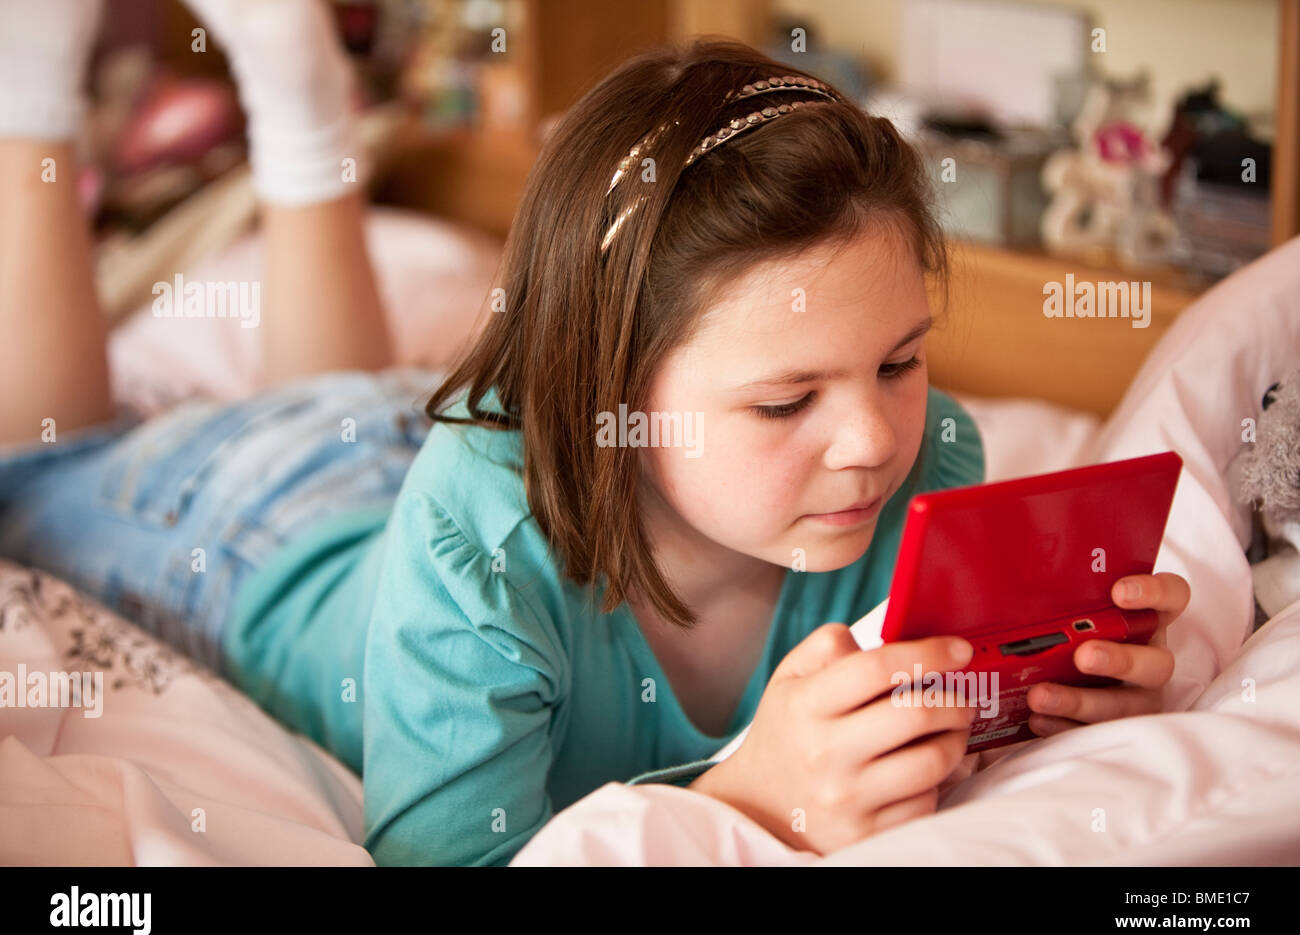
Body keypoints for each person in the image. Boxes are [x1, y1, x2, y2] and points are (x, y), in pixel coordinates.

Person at [0, 1, 1190, 866]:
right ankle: (34, 84)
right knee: (34, 463)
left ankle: (306, 115)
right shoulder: (486, 542)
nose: (871, 440)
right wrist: (744, 798)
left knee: (364, 385)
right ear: (602, 398)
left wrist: (1059, 691)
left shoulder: (931, 464)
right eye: (784, 402)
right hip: (257, 517)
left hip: (403, 433)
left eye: (898, 361)